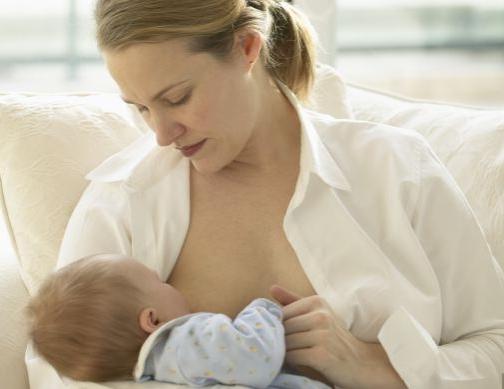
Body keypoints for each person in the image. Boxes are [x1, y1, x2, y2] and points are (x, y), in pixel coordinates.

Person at [26, 0, 504, 388]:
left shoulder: (395, 168)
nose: (162, 134)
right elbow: (63, 373)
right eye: (141, 109)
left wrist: (373, 367)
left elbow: (495, 346)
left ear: (247, 48)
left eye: (177, 98)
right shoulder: (123, 200)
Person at [26, 253, 330, 388]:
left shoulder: (153, 373)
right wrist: (265, 309)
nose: (172, 285)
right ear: (153, 320)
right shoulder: (183, 342)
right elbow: (255, 356)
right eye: (159, 282)